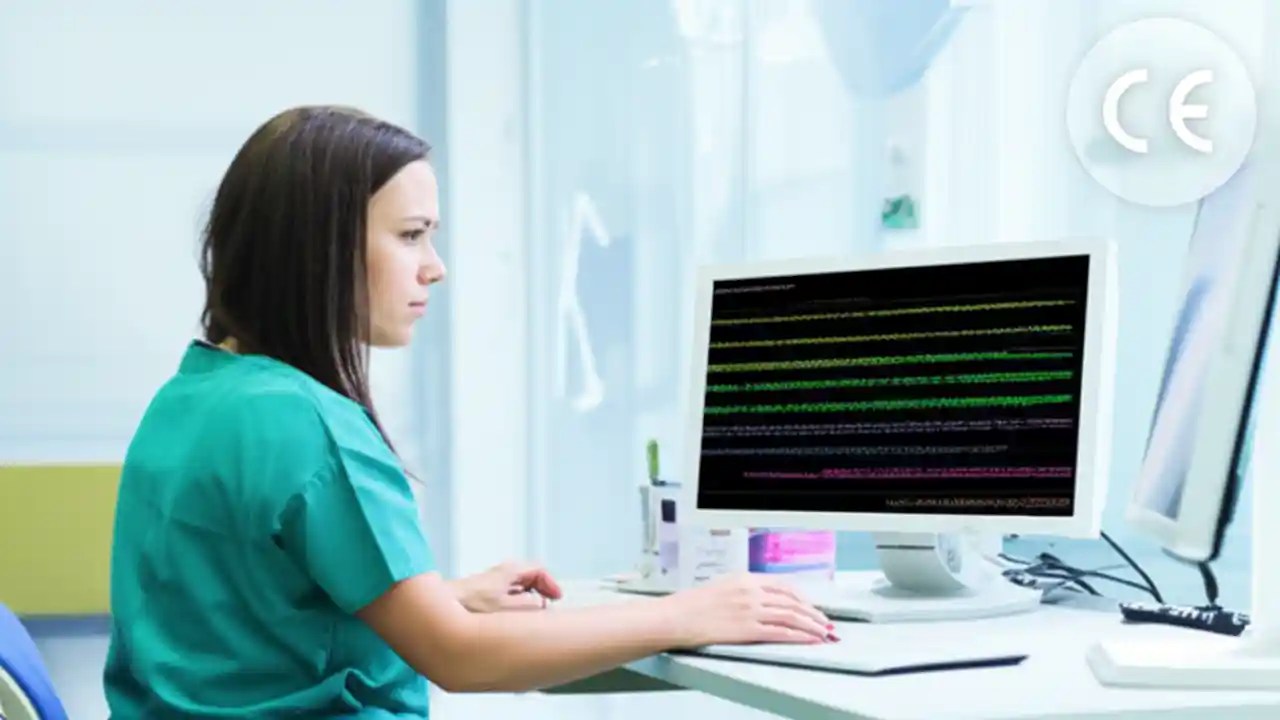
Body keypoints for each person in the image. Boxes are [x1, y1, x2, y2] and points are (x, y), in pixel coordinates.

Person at [102, 105, 834, 718]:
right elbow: (461, 660)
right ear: (319, 248)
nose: (434, 266)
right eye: (411, 234)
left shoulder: (199, 393)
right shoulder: (306, 424)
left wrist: (444, 598)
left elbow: (245, 613)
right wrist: (692, 613)